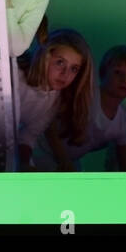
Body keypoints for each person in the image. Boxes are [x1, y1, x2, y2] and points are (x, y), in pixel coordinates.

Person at [36, 44, 126, 172]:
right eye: (117, 72)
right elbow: (49, 122)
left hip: (70, 162)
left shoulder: (123, 123)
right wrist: (63, 159)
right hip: (42, 150)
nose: (124, 80)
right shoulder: (85, 95)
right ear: (103, 72)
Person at [14, 30, 93, 171]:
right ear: (45, 57)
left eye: (74, 69)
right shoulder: (15, 76)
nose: (65, 74)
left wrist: (25, 163)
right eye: (60, 62)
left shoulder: (55, 99)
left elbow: (28, 135)